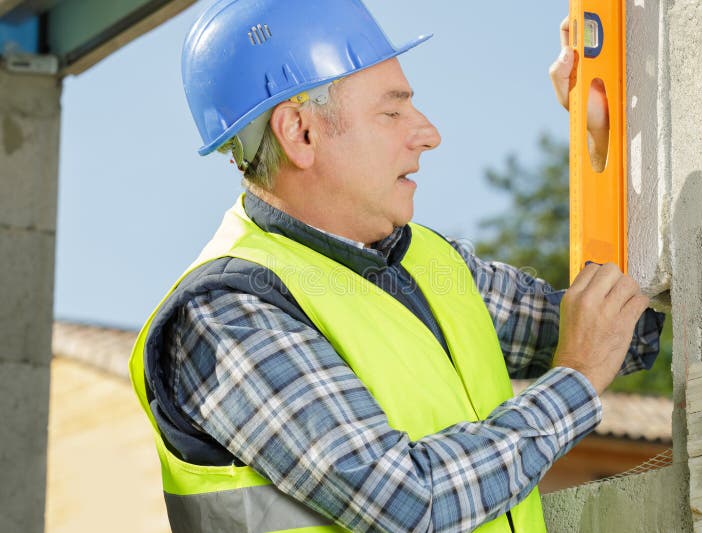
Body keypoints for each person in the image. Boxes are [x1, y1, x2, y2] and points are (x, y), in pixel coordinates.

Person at [129, 1, 664, 532]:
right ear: (301, 133)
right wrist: (575, 383)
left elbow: (622, 328)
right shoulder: (225, 318)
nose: (429, 133)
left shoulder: (427, 264)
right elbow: (410, 502)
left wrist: (600, 143)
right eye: (392, 112)